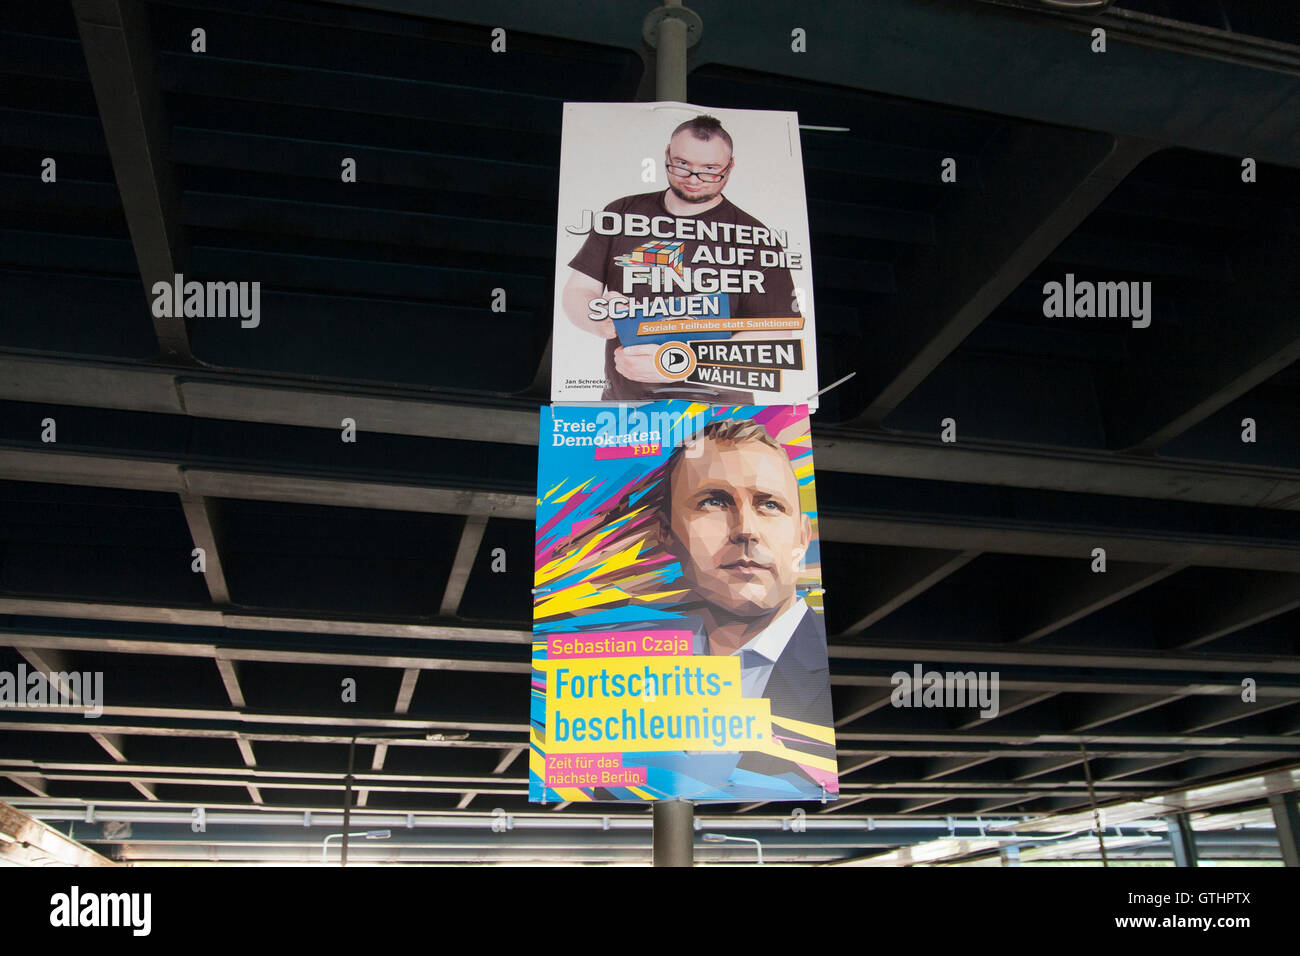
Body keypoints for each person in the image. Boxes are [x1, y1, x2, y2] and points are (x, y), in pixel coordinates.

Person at [561, 114, 800, 403]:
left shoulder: (754, 236)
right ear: (667, 155)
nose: (694, 179)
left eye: (710, 169)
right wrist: (597, 317)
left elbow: (778, 333)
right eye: (682, 165)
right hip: (626, 406)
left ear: (730, 167)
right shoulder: (622, 212)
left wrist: (674, 363)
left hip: (719, 412)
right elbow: (577, 291)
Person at [653, 418, 835, 755]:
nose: (746, 530)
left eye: (769, 504)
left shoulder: (829, 675)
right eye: (714, 502)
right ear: (666, 532)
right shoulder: (632, 673)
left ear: (802, 535)